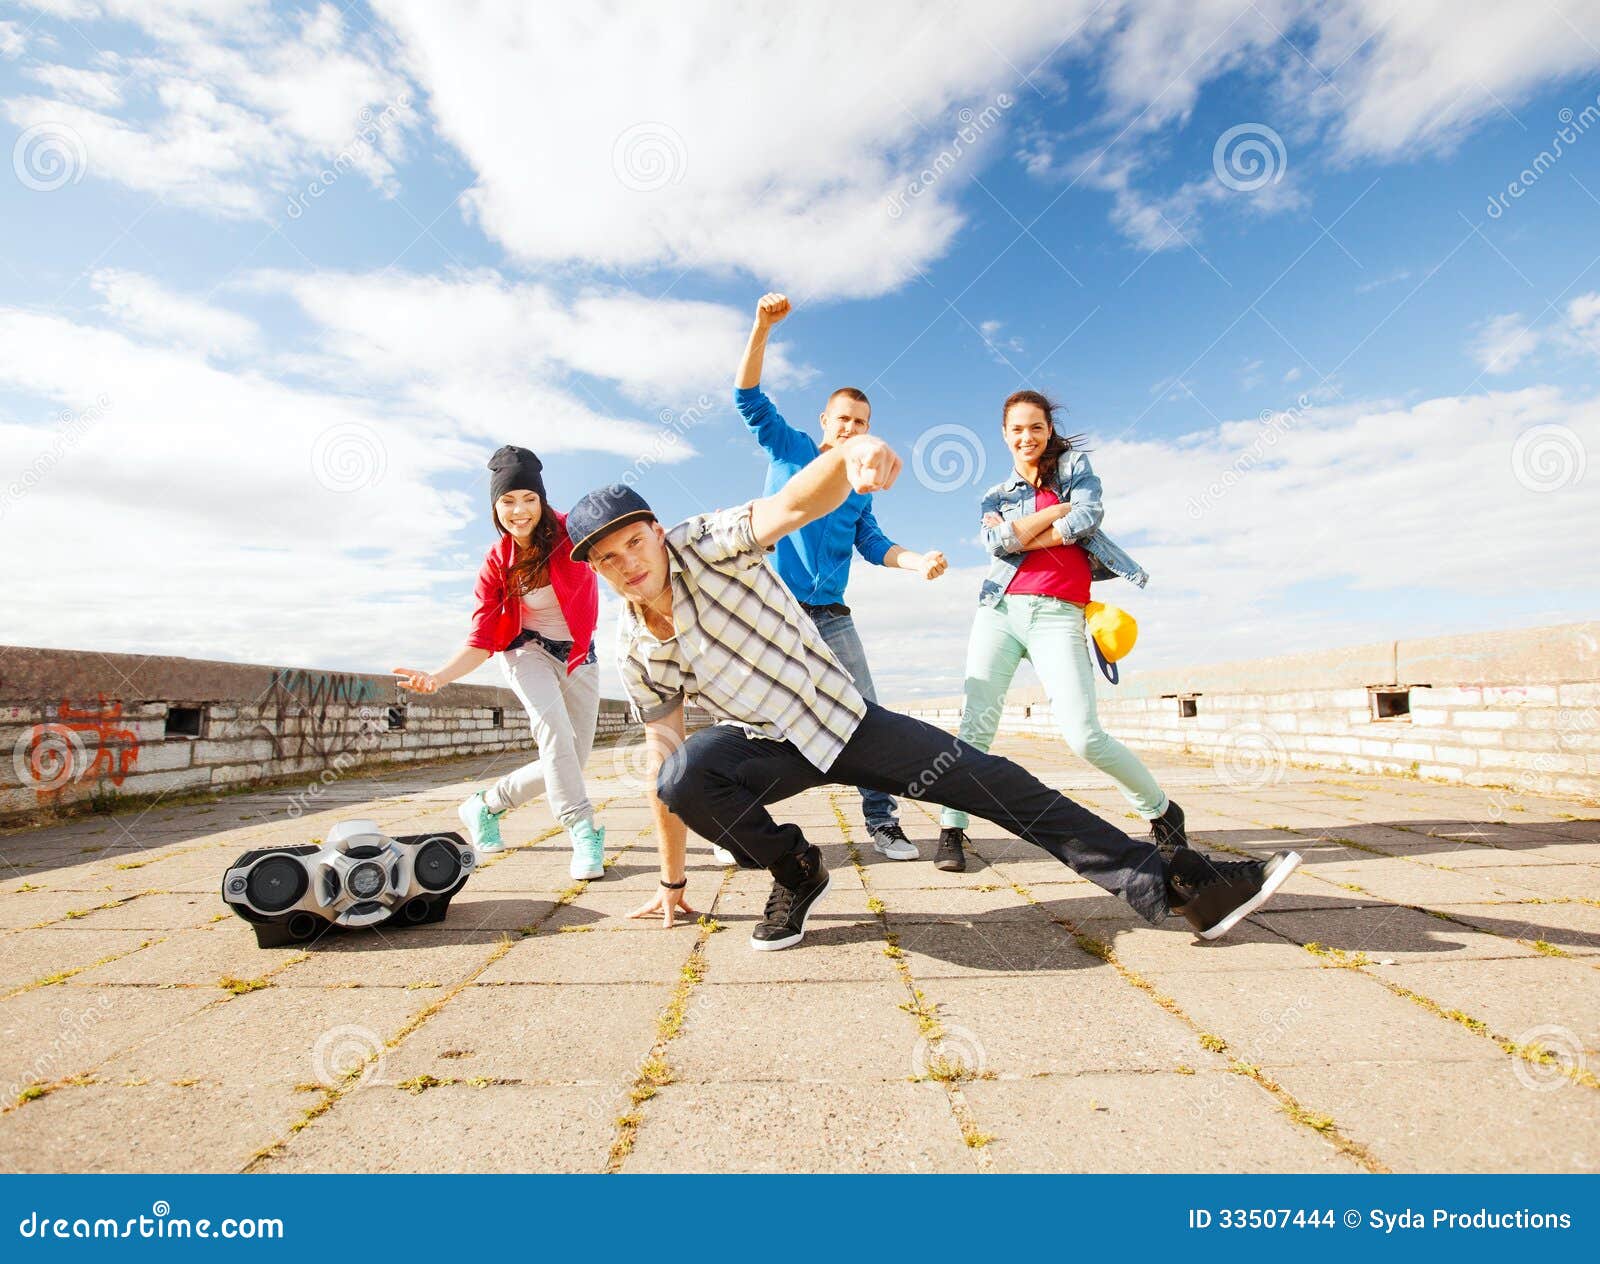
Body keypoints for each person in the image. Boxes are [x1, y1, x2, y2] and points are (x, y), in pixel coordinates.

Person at [564, 435, 1300, 950]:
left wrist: (850, 456)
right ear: (595, 569)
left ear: (657, 532)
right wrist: (670, 880)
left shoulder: (707, 540)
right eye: (606, 558)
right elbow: (666, 761)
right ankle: (796, 869)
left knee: (998, 783)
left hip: (844, 720)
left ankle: (1182, 888)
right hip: (766, 748)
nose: (626, 563)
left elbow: (791, 503)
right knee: (683, 772)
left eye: (633, 542)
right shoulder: (630, 643)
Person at [731, 291, 949, 863]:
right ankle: (735, 824)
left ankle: (883, 822)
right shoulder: (793, 448)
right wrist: (761, 328)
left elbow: (873, 543)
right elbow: (747, 397)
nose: (851, 428)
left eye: (862, 423)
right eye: (843, 419)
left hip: (830, 616)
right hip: (773, 609)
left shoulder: (859, 489)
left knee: (866, 717)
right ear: (825, 423)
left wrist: (916, 560)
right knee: (756, 719)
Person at [934, 390, 1186, 874]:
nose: (1026, 437)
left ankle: (1162, 812)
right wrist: (1054, 513)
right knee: (976, 727)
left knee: (1084, 735)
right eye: (1016, 429)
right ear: (1004, 435)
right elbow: (994, 542)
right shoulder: (995, 494)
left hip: (1058, 612)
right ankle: (952, 828)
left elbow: (1088, 516)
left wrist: (1023, 532)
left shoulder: (1074, 469)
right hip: (999, 610)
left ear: (1048, 430)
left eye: (1035, 427)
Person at [393, 445, 607, 881]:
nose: (520, 510)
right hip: (525, 651)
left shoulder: (575, 531)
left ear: (542, 500)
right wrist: (438, 677)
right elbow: (482, 639)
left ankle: (485, 805)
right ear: (495, 507)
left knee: (571, 758)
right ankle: (582, 830)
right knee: (554, 736)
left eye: (529, 498)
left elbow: (624, 542)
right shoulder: (496, 564)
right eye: (508, 501)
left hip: (580, 655)